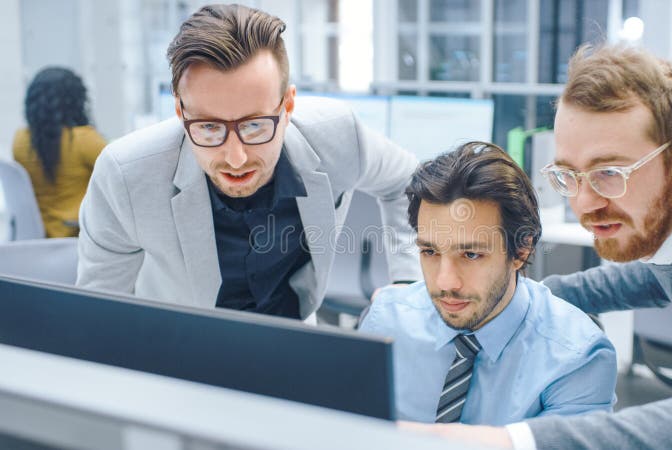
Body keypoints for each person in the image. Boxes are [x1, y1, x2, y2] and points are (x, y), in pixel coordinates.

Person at [401, 44, 672, 449]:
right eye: (568, 174)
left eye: (609, 173)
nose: (585, 203)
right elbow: (642, 278)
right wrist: (496, 299)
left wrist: (510, 442)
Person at [76, 4, 420, 321]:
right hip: (180, 355)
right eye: (209, 127)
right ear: (180, 112)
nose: (235, 158)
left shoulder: (339, 136)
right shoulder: (125, 176)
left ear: (287, 106)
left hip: (293, 344)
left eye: (254, 126)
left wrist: (407, 284)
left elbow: (408, 180)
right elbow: (100, 317)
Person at [360, 142, 617, 425]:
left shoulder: (577, 359)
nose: (445, 282)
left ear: (521, 250)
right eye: (430, 252)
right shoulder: (386, 320)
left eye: (471, 254)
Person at [13, 67, 106, 238]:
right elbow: (121, 169)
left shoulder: (20, 141)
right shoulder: (84, 139)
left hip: (36, 242)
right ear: (76, 101)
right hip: (78, 238)